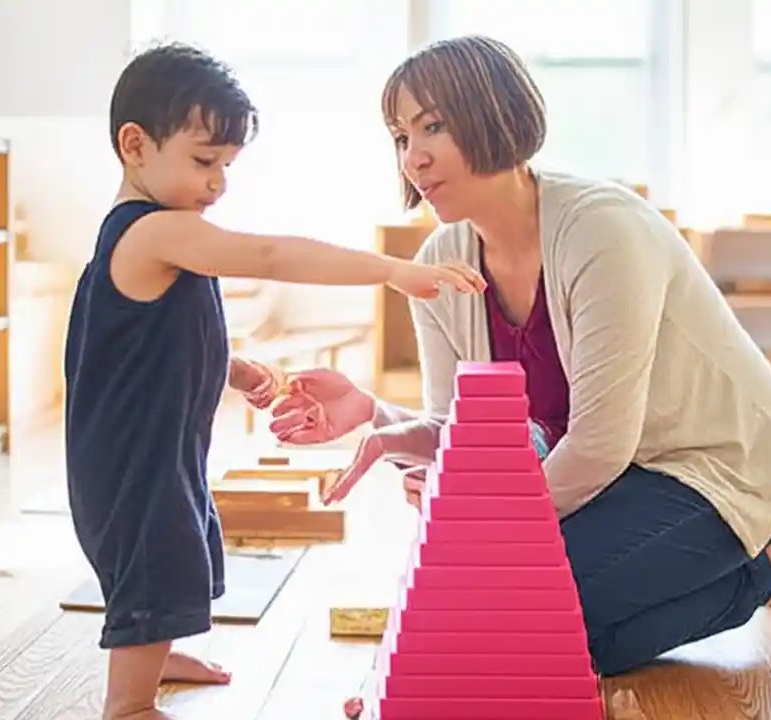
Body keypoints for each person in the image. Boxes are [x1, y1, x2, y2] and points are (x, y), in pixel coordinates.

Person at [258, 35, 771, 678]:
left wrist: (480, 526)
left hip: (722, 465)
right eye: (401, 137)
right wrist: (372, 414)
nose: (415, 157)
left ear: (496, 113)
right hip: (621, 477)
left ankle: (765, 566)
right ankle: (756, 566)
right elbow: (466, 434)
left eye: (432, 126)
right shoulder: (438, 265)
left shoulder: (603, 230)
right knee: (530, 636)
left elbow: (602, 444)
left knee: (521, 614)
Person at [63, 42, 484, 720]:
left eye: (227, 165)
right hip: (129, 461)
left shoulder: (161, 238)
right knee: (153, 555)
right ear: (135, 145)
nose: (218, 183)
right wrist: (390, 269)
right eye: (205, 162)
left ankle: (155, 654)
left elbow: (135, 344)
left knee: (179, 546)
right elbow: (267, 253)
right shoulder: (148, 233)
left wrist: (231, 368)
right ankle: (128, 702)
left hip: (153, 450)